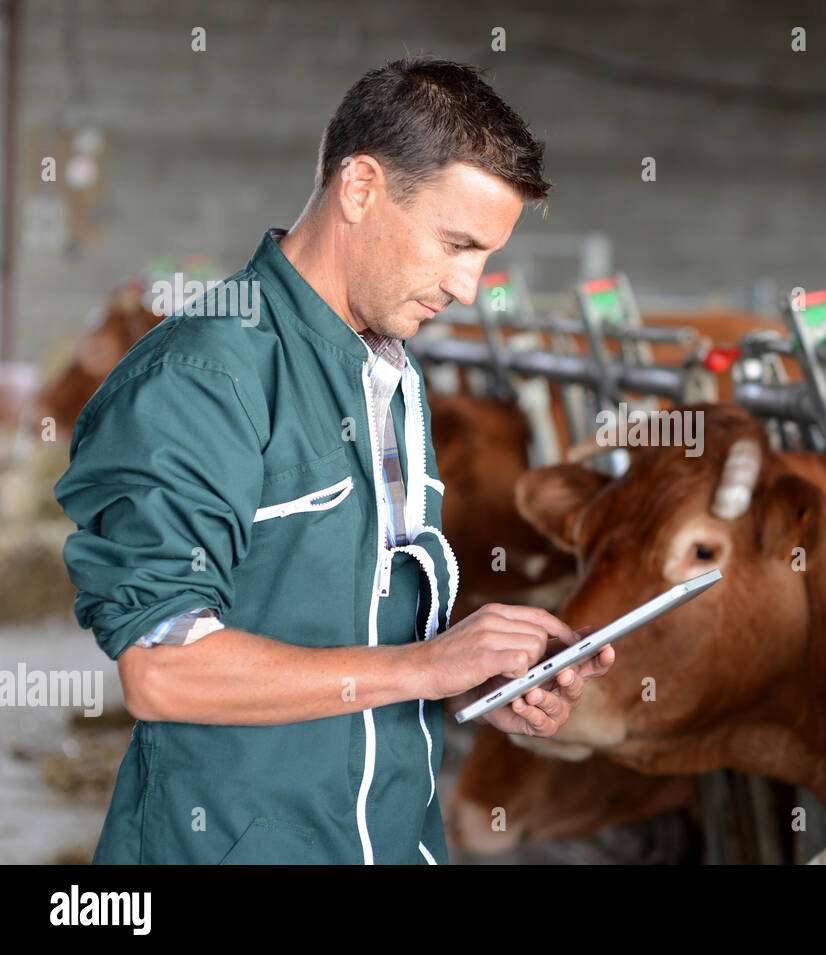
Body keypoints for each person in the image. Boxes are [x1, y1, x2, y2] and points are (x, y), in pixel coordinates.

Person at [54, 56, 614, 865]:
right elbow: (163, 671)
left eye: (485, 256)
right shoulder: (203, 380)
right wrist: (425, 665)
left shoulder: (393, 378)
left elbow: (353, 629)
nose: (469, 286)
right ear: (360, 188)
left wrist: (482, 677)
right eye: (457, 244)